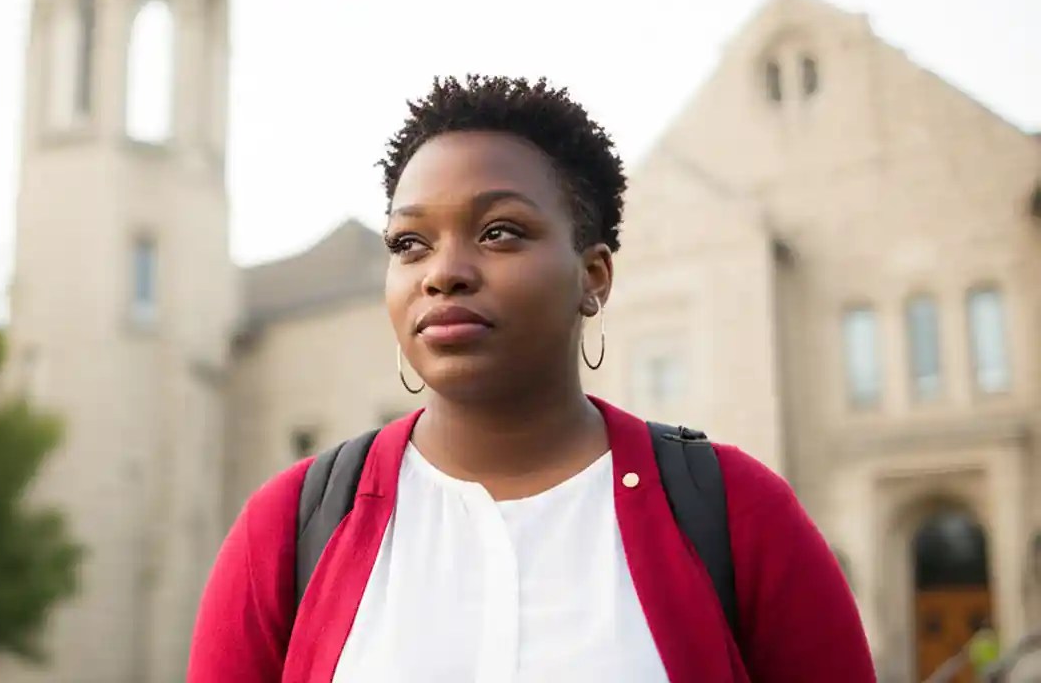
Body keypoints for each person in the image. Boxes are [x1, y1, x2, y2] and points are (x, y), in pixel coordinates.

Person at [187, 75, 875, 682]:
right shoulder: (289, 529)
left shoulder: (736, 513)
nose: (443, 271)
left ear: (593, 276)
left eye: (500, 232)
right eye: (409, 243)